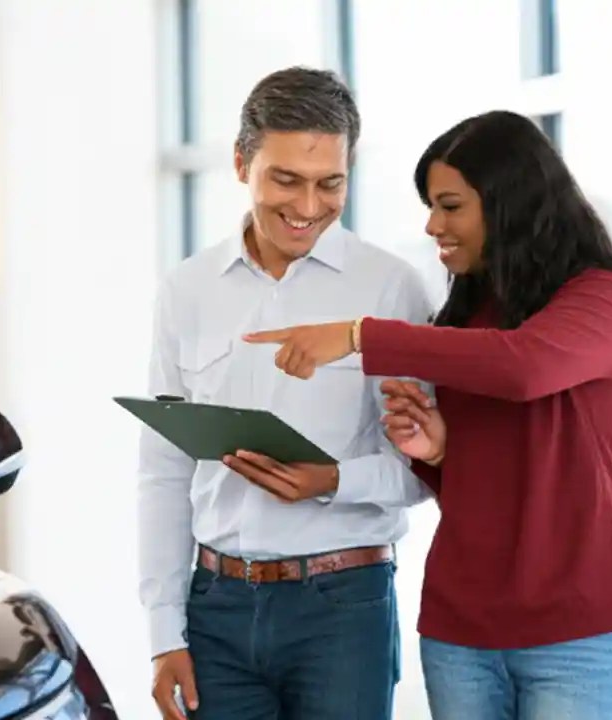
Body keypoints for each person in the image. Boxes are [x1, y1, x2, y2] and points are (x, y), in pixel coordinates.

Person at [244, 109, 612, 720]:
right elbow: (485, 477)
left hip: (577, 631)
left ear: (507, 204)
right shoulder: (465, 315)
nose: (433, 224)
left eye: (449, 205)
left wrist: (361, 335)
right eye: (431, 206)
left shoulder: (601, 297)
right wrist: (438, 454)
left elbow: (524, 368)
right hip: (462, 629)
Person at [136, 66, 435, 720]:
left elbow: (424, 470)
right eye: (286, 180)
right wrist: (165, 631)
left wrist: (329, 479)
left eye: (330, 183)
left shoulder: (391, 290)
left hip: (341, 608)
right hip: (213, 606)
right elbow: (163, 469)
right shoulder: (187, 290)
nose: (307, 207)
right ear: (242, 163)